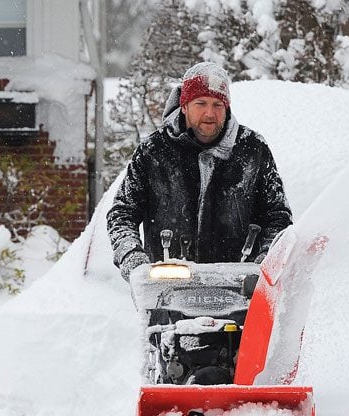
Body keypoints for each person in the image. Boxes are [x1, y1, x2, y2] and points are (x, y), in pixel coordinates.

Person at [107, 61, 292, 279]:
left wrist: (266, 258)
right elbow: (122, 213)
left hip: (240, 289)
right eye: (200, 103)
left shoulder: (252, 149)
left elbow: (278, 216)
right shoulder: (153, 152)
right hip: (167, 291)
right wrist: (132, 256)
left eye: (217, 105)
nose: (209, 113)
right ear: (183, 106)